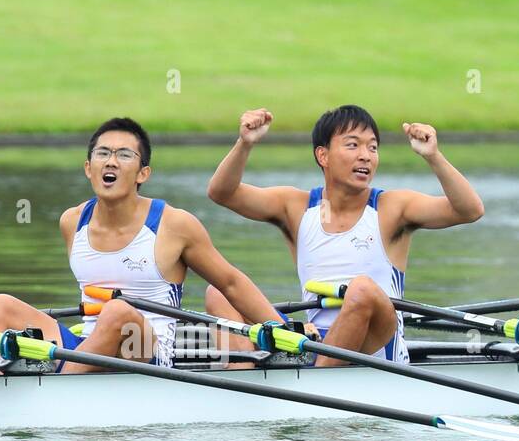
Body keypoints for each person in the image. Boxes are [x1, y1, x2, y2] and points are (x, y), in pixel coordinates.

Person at [0, 117, 285, 373]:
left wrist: (281, 329)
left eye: (124, 155)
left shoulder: (174, 225)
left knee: (118, 312)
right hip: (88, 346)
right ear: (88, 168)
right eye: (103, 153)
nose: (111, 162)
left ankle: (59, 391)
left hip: (146, 351)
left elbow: (230, 283)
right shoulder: (72, 221)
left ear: (142, 174)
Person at [204, 105, 484, 366]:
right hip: (314, 340)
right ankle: (241, 376)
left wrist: (433, 156)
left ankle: (315, 385)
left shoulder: (393, 208)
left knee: (361, 289)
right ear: (322, 155)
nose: (366, 155)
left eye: (372, 148)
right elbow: (222, 193)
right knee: (219, 293)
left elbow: (470, 210)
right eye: (353, 145)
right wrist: (245, 144)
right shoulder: (294, 207)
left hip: (376, 344)